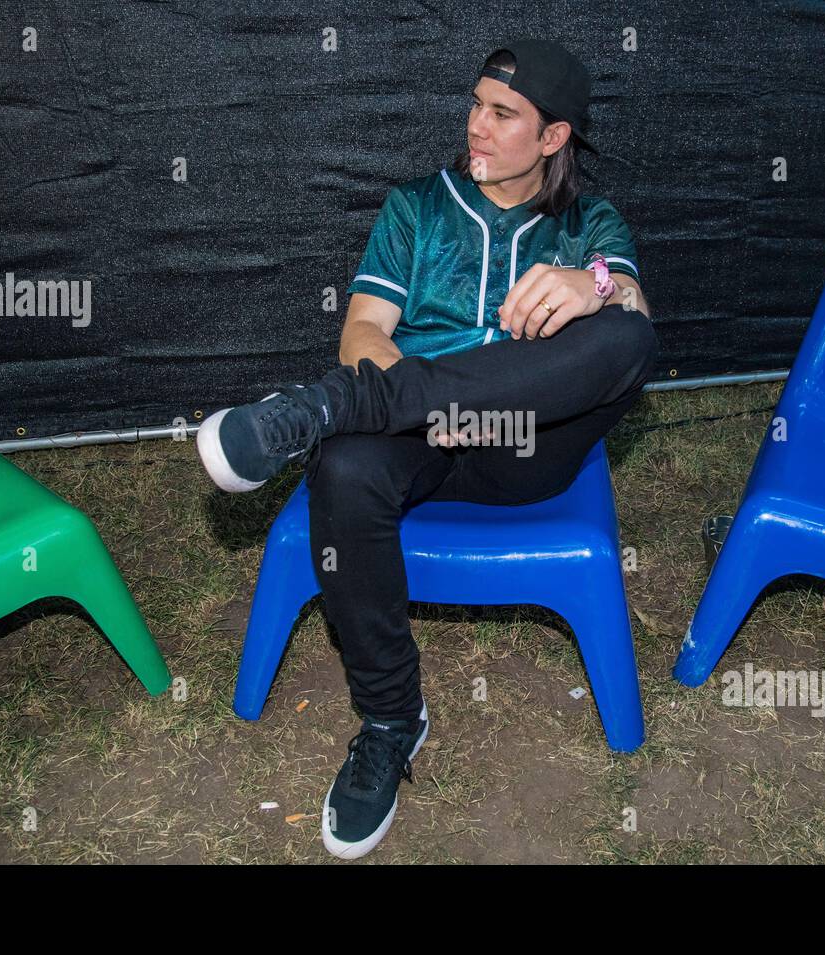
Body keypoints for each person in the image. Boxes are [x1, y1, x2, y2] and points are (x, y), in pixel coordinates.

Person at [196, 39, 658, 859]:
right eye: (476, 104)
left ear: (553, 138)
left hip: (528, 447)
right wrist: (428, 410)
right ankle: (389, 718)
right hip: (416, 440)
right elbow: (363, 330)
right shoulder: (417, 205)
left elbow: (630, 303)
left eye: (502, 113)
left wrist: (590, 288)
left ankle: (326, 410)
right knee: (342, 466)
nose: (476, 125)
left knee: (628, 336)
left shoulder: (591, 221)